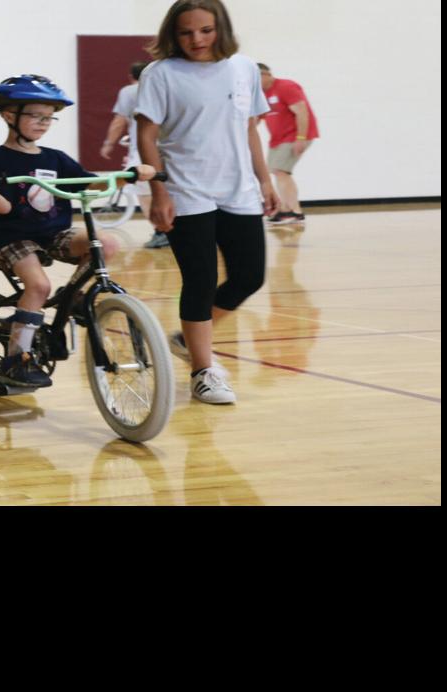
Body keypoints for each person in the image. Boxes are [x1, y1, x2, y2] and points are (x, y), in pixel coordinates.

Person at [135, 0, 278, 404]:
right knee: (199, 281)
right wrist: (159, 190)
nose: (196, 39)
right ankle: (203, 370)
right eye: (186, 32)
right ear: (173, 34)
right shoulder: (161, 73)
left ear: (221, 29)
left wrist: (265, 180)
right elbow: (147, 135)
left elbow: (249, 127)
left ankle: (189, 338)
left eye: (205, 30)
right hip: (185, 190)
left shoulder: (244, 68)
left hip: (239, 190)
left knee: (249, 276)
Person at [0, 75, 149, 388]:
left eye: (48, 117)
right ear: (9, 116)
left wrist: (129, 176)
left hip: (53, 235)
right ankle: (17, 357)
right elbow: (2, 209)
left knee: (104, 245)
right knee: (38, 286)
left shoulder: (55, 159)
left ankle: (73, 296)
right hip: (12, 238)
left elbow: (89, 182)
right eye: (35, 116)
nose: (43, 122)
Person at [99, 61, 167, 248]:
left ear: (132, 77)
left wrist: (108, 144)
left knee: (144, 192)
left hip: (145, 150)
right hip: (171, 149)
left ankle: (161, 231)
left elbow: (119, 121)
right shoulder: (166, 86)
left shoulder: (129, 91)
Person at [257, 62, 318, 226]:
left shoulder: (285, 87)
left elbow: (302, 111)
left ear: (265, 75)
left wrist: (301, 137)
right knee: (279, 172)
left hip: (293, 136)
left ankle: (294, 211)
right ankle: (286, 208)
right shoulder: (262, 94)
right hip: (278, 138)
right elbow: (257, 117)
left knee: (281, 171)